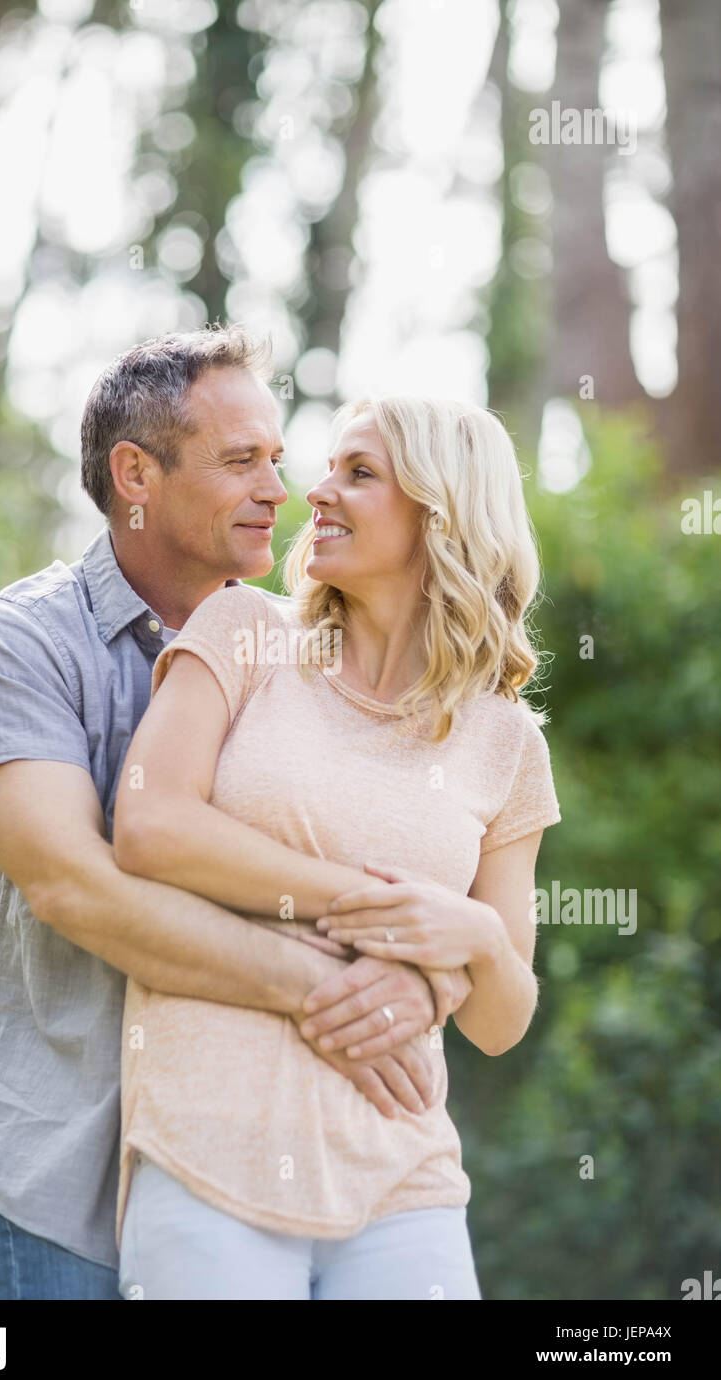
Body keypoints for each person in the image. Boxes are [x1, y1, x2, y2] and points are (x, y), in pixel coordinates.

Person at [0, 327, 463, 1299]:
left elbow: (422, 867)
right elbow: (75, 888)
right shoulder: (15, 646)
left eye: (277, 457)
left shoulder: (312, 656)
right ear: (135, 473)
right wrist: (327, 987)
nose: (282, 489)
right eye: (239, 462)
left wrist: (424, 986)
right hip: (66, 1194)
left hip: (264, 1186)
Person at [112, 393, 562, 1300]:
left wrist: (470, 937)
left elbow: (501, 1017)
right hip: (210, 1160)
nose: (314, 492)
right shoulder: (245, 632)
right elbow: (149, 822)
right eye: (328, 468)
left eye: (359, 474)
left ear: (444, 512)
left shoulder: (506, 740)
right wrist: (375, 909)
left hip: (406, 1183)